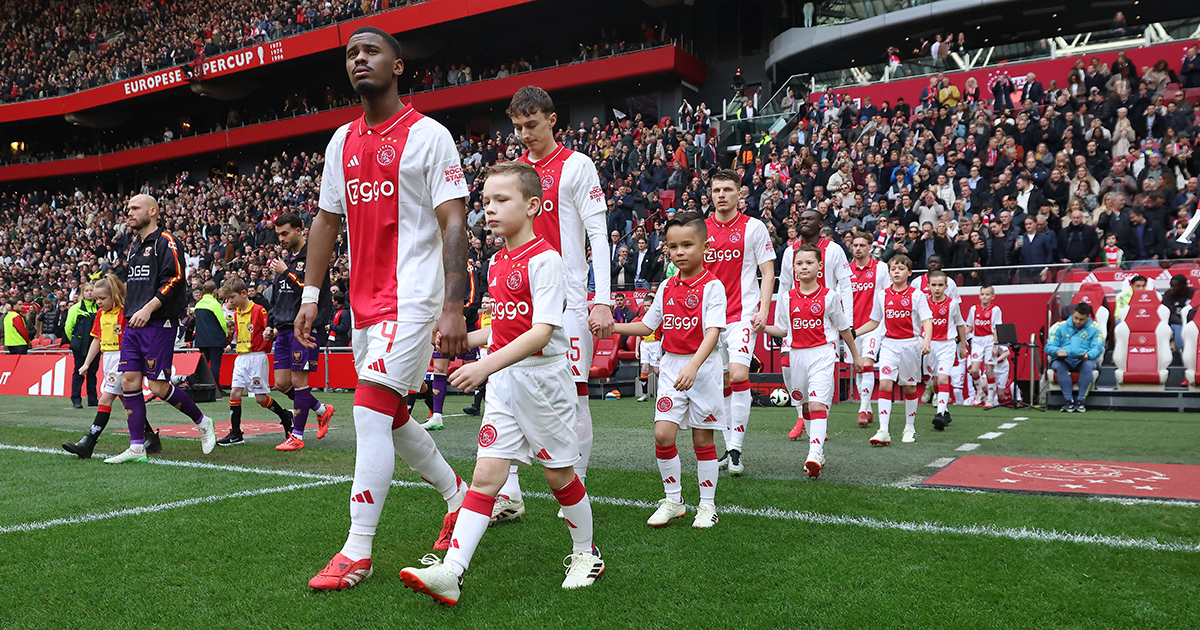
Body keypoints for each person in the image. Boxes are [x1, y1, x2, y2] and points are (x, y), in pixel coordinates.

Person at [298, 26, 470, 591]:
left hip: (414, 296)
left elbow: (453, 221)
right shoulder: (340, 141)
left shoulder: (429, 136)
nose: (359, 59)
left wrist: (453, 304)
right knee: (391, 415)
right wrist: (311, 295)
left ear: (398, 66)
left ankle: (358, 550)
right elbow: (326, 220)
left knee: (369, 410)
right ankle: (458, 496)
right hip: (365, 304)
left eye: (371, 51)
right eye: (351, 53)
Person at [398, 162, 603, 605]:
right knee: (486, 476)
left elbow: (541, 332)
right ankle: (452, 571)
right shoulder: (497, 261)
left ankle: (587, 553)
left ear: (532, 206)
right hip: (507, 382)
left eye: (501, 200)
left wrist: (484, 366)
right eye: (486, 200)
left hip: (544, 383)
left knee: (559, 475)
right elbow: (506, 327)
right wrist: (459, 339)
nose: (489, 209)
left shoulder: (547, 259)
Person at [491, 86, 615, 524]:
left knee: (576, 397)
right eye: (518, 127)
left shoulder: (577, 166)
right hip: (518, 301)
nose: (525, 134)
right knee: (506, 391)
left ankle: (575, 487)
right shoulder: (516, 173)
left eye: (532, 124)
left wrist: (602, 299)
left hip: (568, 304)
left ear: (552, 120)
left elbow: (598, 234)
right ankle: (508, 494)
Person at [610, 211, 726, 529]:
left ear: (704, 247)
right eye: (673, 246)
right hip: (672, 365)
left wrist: (694, 365)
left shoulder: (713, 286)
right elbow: (647, 325)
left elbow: (713, 332)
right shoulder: (665, 286)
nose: (679, 252)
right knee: (663, 435)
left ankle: (707, 505)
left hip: (702, 367)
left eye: (687, 245)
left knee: (702, 439)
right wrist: (613, 327)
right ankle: (673, 500)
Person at [108, 193, 215, 464]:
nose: (129, 212)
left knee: (157, 387)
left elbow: (175, 279)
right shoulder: (135, 246)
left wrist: (148, 309)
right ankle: (136, 447)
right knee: (129, 381)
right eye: (128, 208)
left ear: (153, 211)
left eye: (135, 208)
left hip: (158, 323)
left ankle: (203, 422)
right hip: (133, 324)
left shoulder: (167, 241)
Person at [762, 244, 861, 478]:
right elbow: (782, 330)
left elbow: (844, 328)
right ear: (793, 268)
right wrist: (761, 327)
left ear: (820, 266)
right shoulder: (786, 298)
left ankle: (814, 453)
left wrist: (855, 355)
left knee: (817, 405)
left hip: (822, 354)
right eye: (799, 263)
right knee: (805, 405)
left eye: (809, 263)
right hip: (797, 355)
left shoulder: (830, 297)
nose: (804, 267)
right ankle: (816, 450)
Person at [705, 168, 775, 476]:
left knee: (737, 375)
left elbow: (768, 271)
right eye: (716, 190)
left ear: (739, 193)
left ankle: (736, 448)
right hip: (710, 319)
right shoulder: (701, 229)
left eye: (727, 190)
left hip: (742, 315)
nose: (721, 195)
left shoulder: (754, 227)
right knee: (720, 382)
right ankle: (728, 447)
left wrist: (763, 309)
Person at [61, 274, 161, 459]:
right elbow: (96, 340)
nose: (98, 302)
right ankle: (150, 437)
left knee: (105, 400)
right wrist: (87, 363)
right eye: (96, 298)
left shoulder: (124, 313)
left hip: (123, 358)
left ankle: (89, 442)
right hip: (108, 358)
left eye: (102, 298)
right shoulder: (100, 314)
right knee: (127, 401)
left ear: (114, 296)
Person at [774, 209, 851, 442]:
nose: (804, 221)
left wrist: (848, 321)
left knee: (822, 374)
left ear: (821, 223)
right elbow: (784, 284)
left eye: (810, 219)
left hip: (825, 319)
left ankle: (818, 419)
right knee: (787, 365)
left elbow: (845, 284)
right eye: (802, 219)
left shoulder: (834, 250)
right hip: (795, 317)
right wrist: (778, 320)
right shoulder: (790, 251)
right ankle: (802, 414)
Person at [266, 212, 336, 449]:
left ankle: (297, 436)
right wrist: (272, 325)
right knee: (281, 383)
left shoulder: (313, 258)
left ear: (299, 230)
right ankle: (321, 409)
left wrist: (286, 271)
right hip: (284, 329)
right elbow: (279, 299)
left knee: (298, 381)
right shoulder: (288, 261)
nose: (281, 239)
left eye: (285, 233)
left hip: (306, 327)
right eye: (278, 235)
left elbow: (309, 289)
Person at [854, 255, 933, 446]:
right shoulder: (882, 295)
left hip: (910, 345)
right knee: (885, 384)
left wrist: (926, 340)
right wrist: (853, 333)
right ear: (889, 273)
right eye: (893, 269)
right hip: (888, 344)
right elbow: (874, 322)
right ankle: (883, 430)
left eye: (901, 268)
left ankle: (909, 427)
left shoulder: (916, 295)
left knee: (909, 387)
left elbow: (927, 319)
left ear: (909, 272)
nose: (897, 272)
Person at [213, 277, 297, 445]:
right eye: (227, 298)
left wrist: (270, 333)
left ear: (244, 294)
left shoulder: (259, 310)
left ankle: (285, 416)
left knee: (260, 399)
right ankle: (236, 433)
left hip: (257, 357)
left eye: (232, 297)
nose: (229, 302)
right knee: (235, 392)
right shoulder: (237, 313)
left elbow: (272, 327)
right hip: (241, 357)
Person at [847, 233, 887, 427]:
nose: (858, 248)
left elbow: (887, 294)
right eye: (855, 245)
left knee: (867, 363)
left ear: (870, 247)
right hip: (852, 329)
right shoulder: (846, 270)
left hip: (873, 326)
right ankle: (868, 408)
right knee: (859, 367)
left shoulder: (881, 268)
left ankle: (862, 409)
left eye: (862, 245)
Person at [923, 272, 966, 430]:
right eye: (934, 285)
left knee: (942, 378)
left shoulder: (952, 304)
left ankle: (940, 414)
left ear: (946, 286)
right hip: (930, 345)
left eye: (940, 285)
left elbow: (960, 324)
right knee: (935, 380)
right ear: (928, 286)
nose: (937, 288)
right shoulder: (924, 304)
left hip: (947, 345)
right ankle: (945, 411)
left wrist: (963, 346)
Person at [1046, 303, 1103, 412]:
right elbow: (1049, 346)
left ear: (1087, 317)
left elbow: (1098, 347)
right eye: (1076, 318)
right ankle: (1069, 401)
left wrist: (1088, 355)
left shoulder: (1095, 329)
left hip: (1084, 359)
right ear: (1073, 313)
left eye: (1081, 319)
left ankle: (1081, 401)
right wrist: (1057, 351)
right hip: (1063, 359)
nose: (1077, 321)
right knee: (1059, 366)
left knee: (1088, 366)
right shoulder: (1060, 327)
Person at [966, 285, 1003, 407]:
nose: (984, 297)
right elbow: (969, 326)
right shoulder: (973, 309)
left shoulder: (995, 309)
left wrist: (995, 346)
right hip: (977, 340)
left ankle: (990, 398)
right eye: (982, 294)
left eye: (987, 294)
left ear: (993, 296)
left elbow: (997, 328)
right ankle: (980, 392)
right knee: (974, 370)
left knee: (989, 370)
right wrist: (959, 335)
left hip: (989, 340)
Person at [64, 283, 98, 407]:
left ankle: (93, 400)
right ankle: (76, 399)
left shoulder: (99, 308)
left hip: (95, 345)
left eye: (92, 290)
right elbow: (68, 328)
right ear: (83, 293)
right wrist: (75, 341)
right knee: (79, 372)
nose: (90, 293)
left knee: (92, 373)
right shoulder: (75, 308)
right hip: (80, 346)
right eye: (87, 290)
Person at [192, 280, 228, 399]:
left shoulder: (198, 304)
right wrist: (225, 334)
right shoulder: (215, 304)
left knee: (203, 365)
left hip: (201, 339)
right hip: (215, 339)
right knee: (215, 365)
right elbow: (222, 322)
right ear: (214, 291)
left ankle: (198, 387)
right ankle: (216, 389)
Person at [635, 293, 661, 403]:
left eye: (648, 306)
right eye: (645, 306)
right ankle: (644, 394)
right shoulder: (641, 318)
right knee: (644, 368)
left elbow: (664, 333)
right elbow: (638, 334)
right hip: (644, 344)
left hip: (655, 344)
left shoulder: (658, 318)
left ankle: (662, 391)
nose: (646, 308)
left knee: (657, 370)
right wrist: (636, 349)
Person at [1162, 275, 1194, 350]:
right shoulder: (1168, 294)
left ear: (1183, 286)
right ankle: (1184, 350)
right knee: (1179, 329)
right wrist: (1183, 322)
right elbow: (1170, 314)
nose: (1171, 288)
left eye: (1174, 286)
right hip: (1177, 322)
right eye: (1171, 285)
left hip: (1193, 321)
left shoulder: (1194, 293)